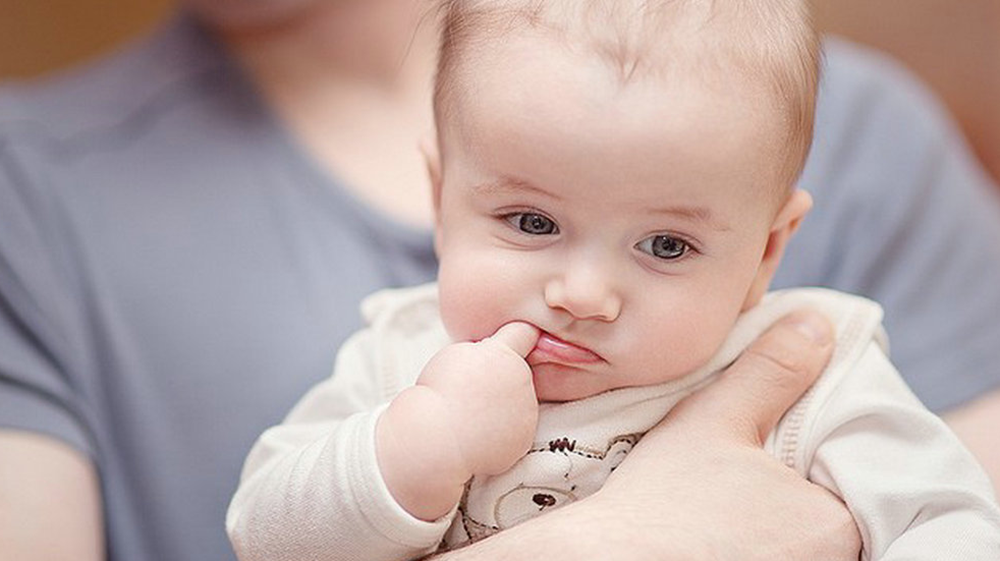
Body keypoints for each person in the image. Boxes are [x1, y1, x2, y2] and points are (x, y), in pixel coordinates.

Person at [1, 0, 999, 560]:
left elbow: (946, 523)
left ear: (770, 251)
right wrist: (413, 451)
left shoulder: (817, 364)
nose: (582, 293)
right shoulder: (401, 358)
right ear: (442, 200)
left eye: (664, 247)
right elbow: (268, 536)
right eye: (530, 224)